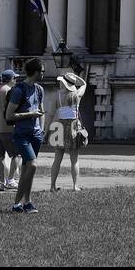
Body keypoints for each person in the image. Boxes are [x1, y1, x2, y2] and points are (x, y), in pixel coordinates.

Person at [5, 57, 46, 212]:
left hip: (36, 135)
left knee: (27, 168)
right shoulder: (18, 90)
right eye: (42, 71)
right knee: (33, 165)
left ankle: (26, 203)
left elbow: (41, 112)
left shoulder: (39, 89)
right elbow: (9, 116)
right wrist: (29, 115)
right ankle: (17, 203)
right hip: (22, 135)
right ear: (35, 72)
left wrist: (42, 129)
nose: (44, 74)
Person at [45, 64, 88, 192]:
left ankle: (52, 186)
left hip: (59, 127)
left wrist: (46, 130)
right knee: (74, 159)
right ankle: (75, 186)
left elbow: (51, 114)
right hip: (74, 127)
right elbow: (84, 84)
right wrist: (74, 77)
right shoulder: (77, 95)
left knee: (57, 158)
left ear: (63, 83)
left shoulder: (57, 95)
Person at [0, 69, 20, 191]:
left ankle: (2, 183)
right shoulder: (9, 91)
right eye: (15, 78)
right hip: (8, 127)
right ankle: (11, 180)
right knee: (16, 155)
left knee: (0, 157)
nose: (16, 81)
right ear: (11, 79)